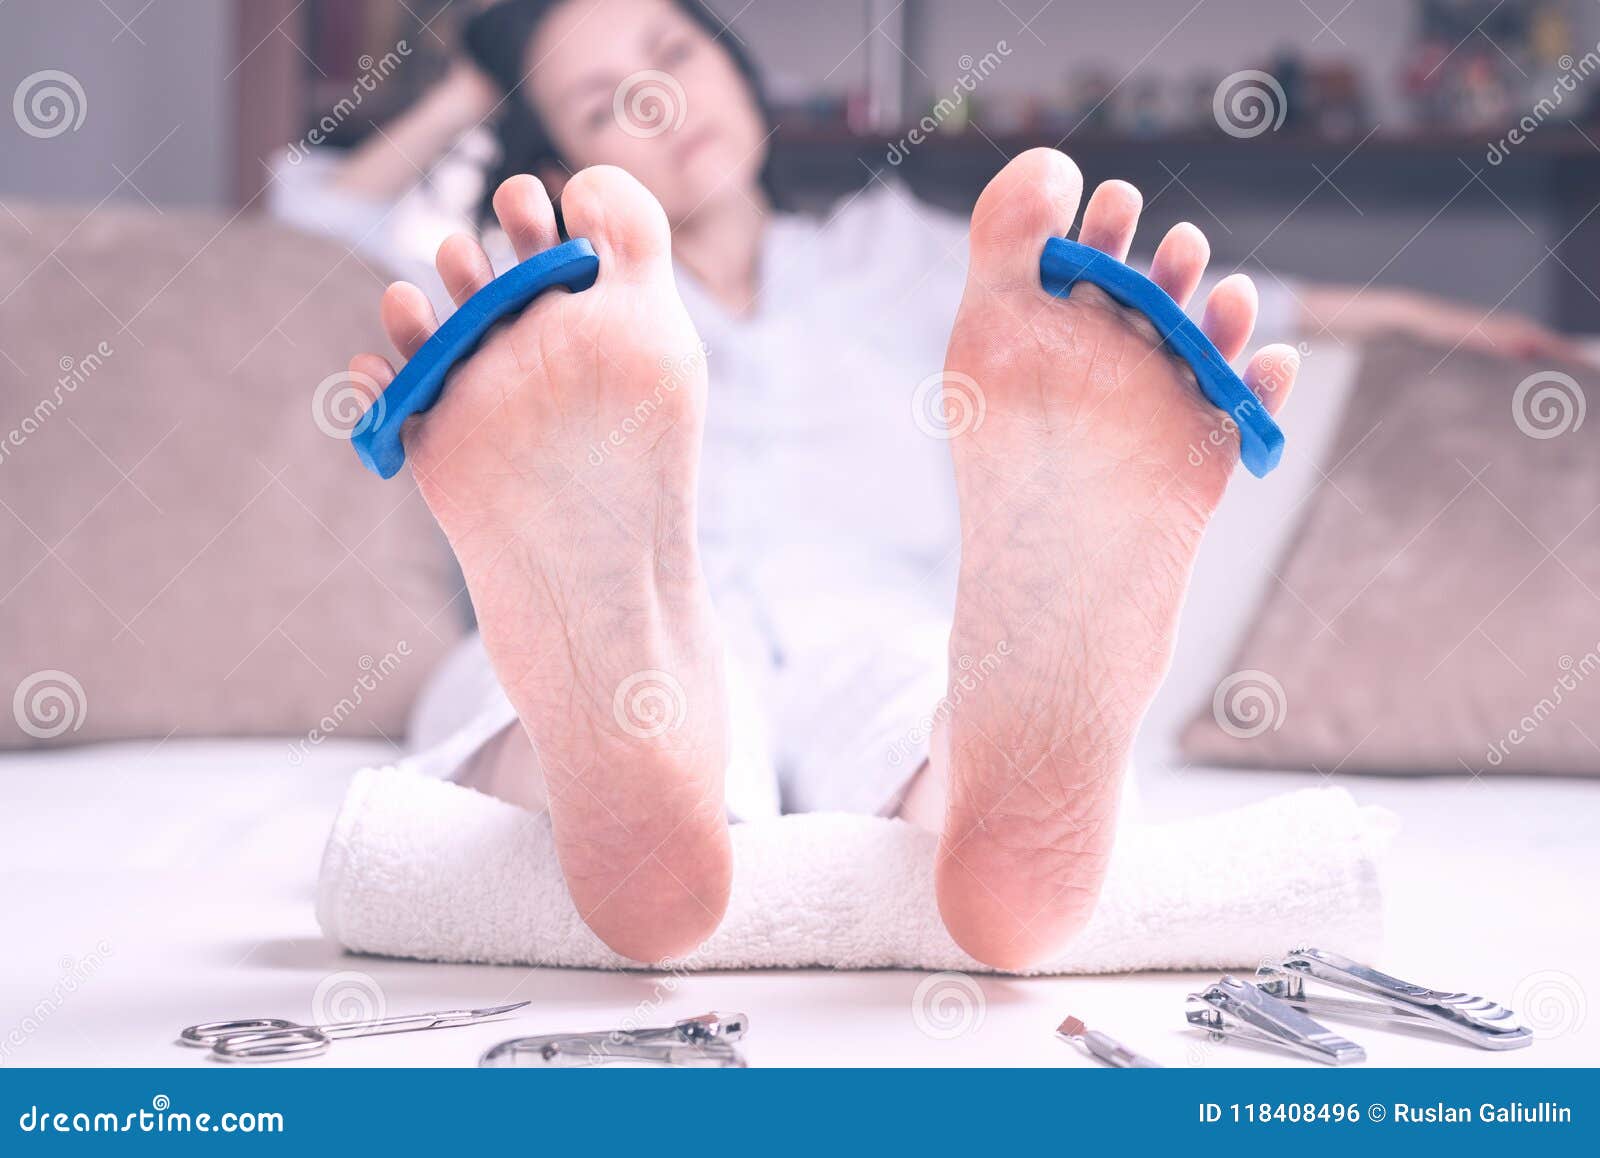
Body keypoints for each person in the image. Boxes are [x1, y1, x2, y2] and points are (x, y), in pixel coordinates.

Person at [272, 0, 1579, 970]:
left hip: (863, 593)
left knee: (901, 676)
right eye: (607, 105)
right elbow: (307, 216)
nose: (663, 106)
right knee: (544, 682)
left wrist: (1446, 316)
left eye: (673, 55)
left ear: (730, 56)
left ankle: (993, 799)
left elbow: (1269, 305)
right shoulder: (555, 316)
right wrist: (477, 70)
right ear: (552, 166)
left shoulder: (897, 252)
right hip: (610, 612)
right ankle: (631, 755)